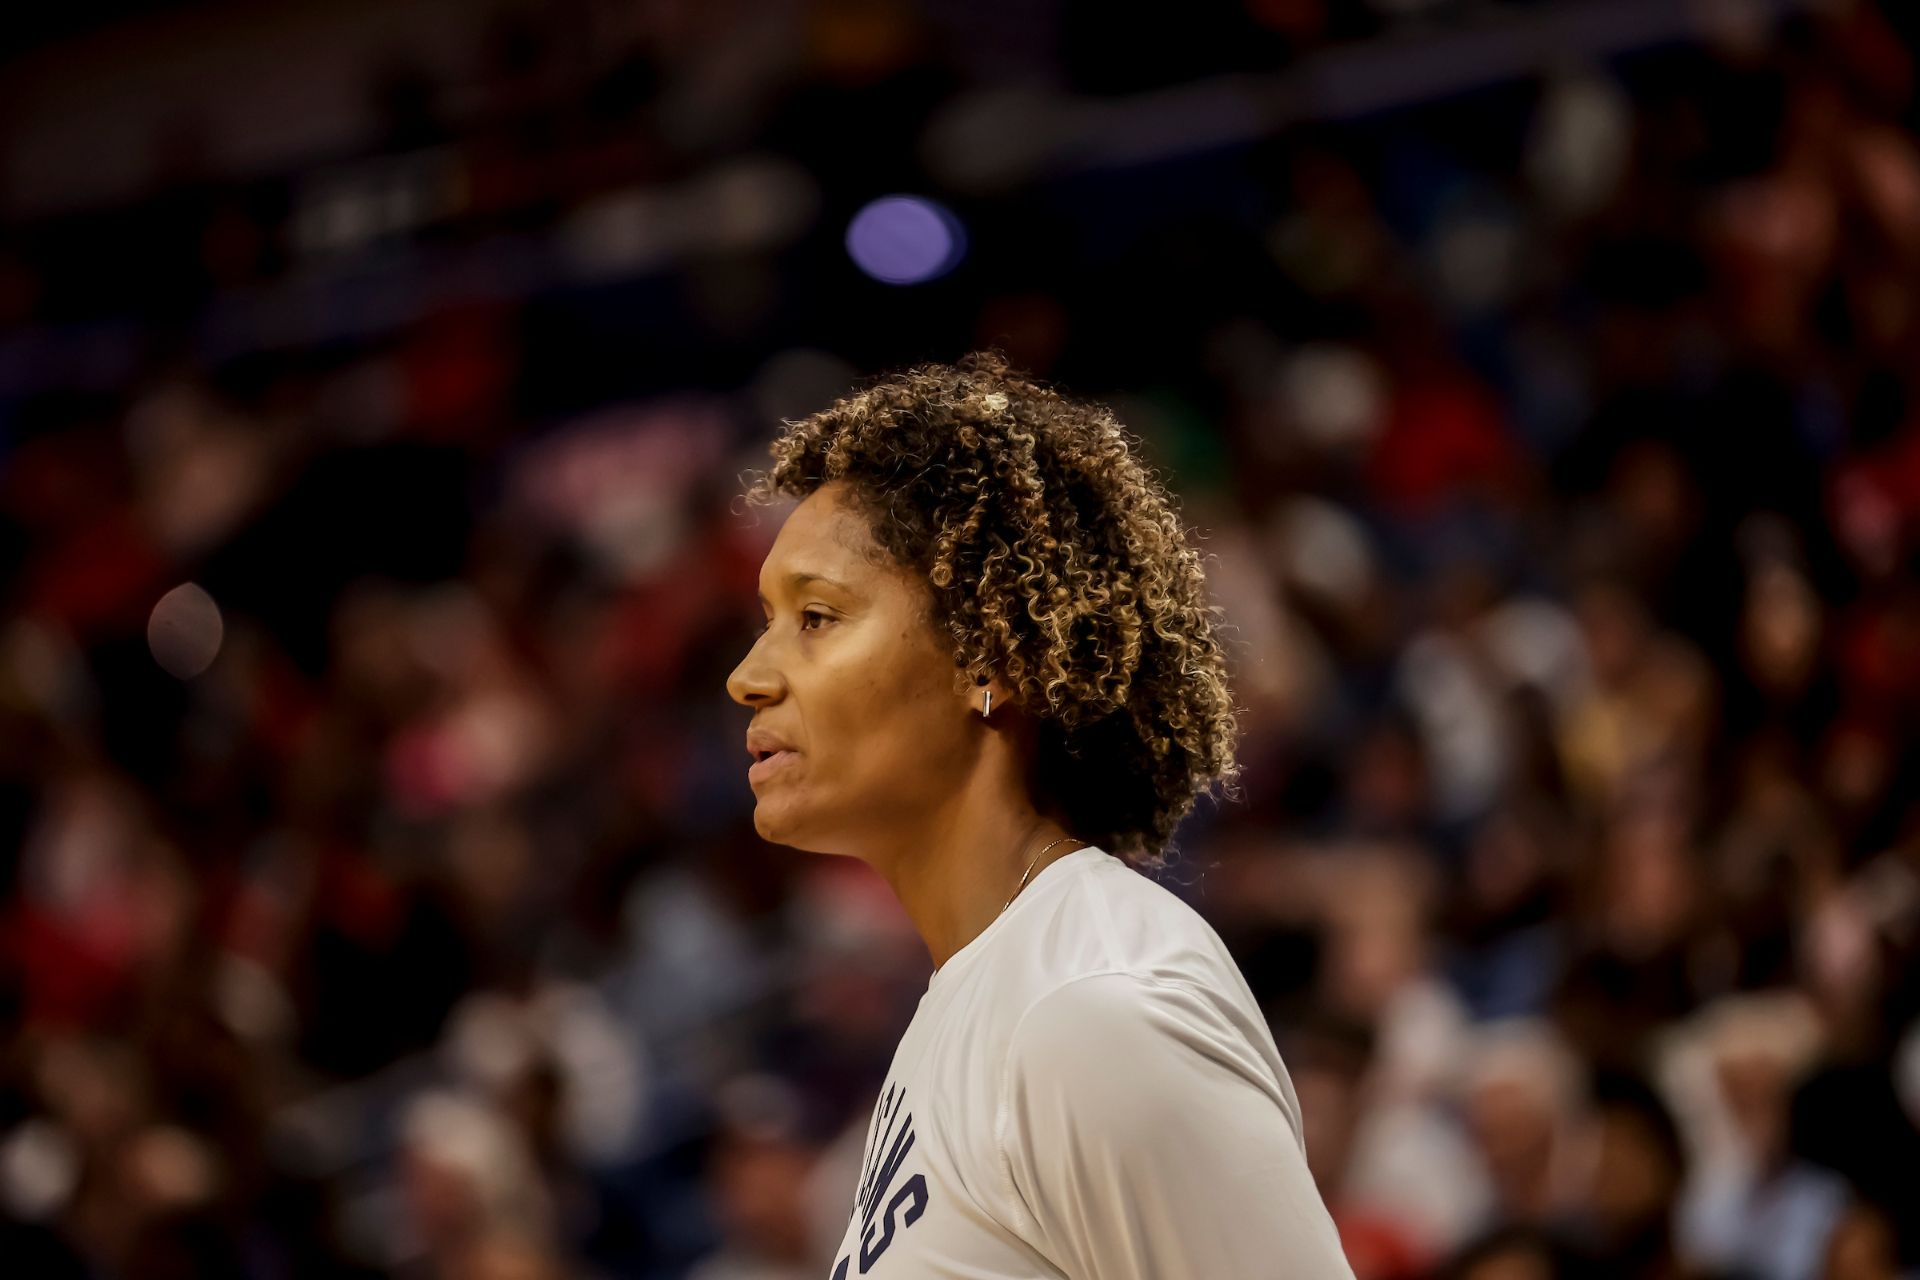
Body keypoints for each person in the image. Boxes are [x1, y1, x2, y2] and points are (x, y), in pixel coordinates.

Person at [726, 352, 1354, 1278]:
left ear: (987, 659)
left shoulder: (1093, 1011)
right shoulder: (984, 996)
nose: (748, 677)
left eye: (816, 617)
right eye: (767, 621)